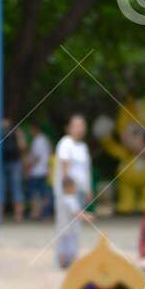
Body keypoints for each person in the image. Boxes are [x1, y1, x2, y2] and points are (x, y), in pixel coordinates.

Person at [53, 114, 94, 267]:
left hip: (80, 191)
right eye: (76, 125)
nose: (79, 128)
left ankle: (73, 256)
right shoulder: (65, 144)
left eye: (82, 125)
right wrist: (68, 192)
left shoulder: (83, 147)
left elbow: (85, 170)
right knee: (65, 224)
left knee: (75, 226)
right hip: (67, 191)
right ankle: (63, 257)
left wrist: (88, 189)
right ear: (68, 127)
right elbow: (65, 168)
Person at [0, 117, 26, 223]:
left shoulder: (16, 131)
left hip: (15, 163)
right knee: (0, 189)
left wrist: (19, 134)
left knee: (17, 189)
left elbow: (23, 146)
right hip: (1, 164)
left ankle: (18, 216)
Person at [24, 122, 53, 220]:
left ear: (35, 129)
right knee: (44, 193)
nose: (30, 132)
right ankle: (45, 213)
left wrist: (29, 168)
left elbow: (36, 156)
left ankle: (35, 213)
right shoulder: (45, 139)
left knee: (34, 194)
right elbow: (49, 152)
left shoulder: (38, 140)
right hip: (44, 170)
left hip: (37, 171)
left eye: (31, 130)